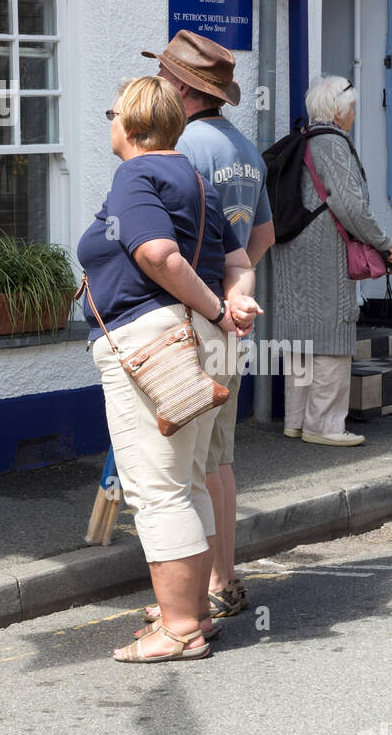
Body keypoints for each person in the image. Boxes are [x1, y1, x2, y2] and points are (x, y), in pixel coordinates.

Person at [77, 76, 260, 662]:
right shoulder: (194, 177)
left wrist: (212, 306)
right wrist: (232, 305)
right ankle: (196, 615)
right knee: (185, 482)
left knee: (157, 490)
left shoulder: (136, 174)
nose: (108, 123)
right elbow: (238, 258)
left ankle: (178, 629)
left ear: (129, 125)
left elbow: (158, 255)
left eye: (111, 112)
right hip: (200, 342)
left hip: (155, 342)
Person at [146, 29, 275, 618]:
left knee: (187, 467)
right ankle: (225, 578)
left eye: (167, 78)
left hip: (195, 319)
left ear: (181, 87)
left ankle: (193, 601)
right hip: (233, 321)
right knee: (219, 457)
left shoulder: (187, 143)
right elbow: (262, 235)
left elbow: (168, 239)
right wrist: (237, 283)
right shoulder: (245, 147)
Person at [272, 75, 392, 446]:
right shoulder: (334, 144)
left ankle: (296, 420)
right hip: (324, 253)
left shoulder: (305, 140)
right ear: (338, 112)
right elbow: (350, 205)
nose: (356, 115)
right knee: (332, 328)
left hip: (293, 246)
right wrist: (382, 243)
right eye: (354, 108)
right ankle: (325, 425)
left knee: (301, 332)